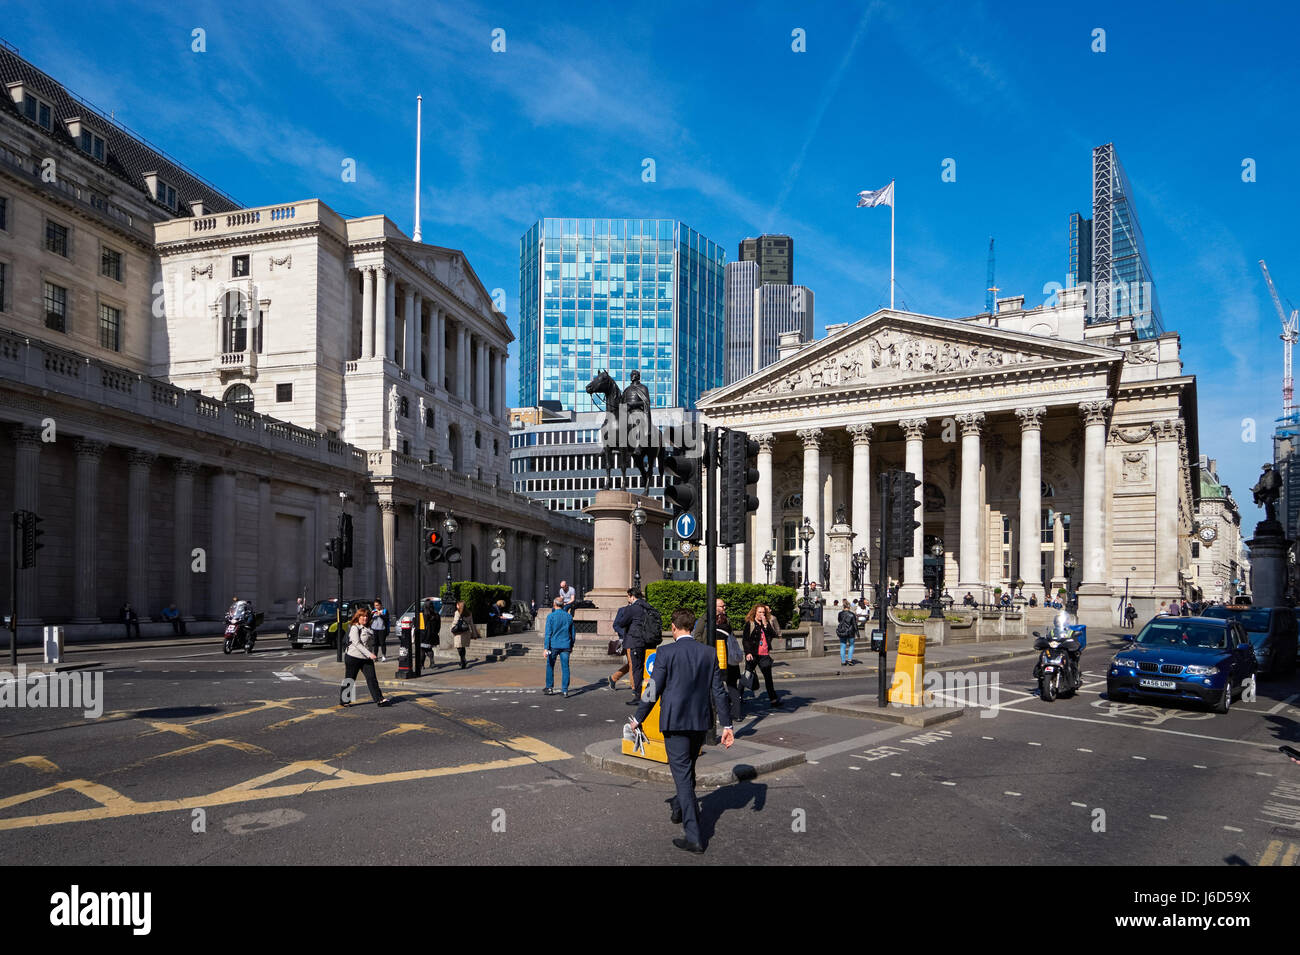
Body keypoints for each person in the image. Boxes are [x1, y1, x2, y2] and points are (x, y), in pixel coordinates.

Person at [629, 608, 734, 853]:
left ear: (674, 627)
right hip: (700, 722)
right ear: (690, 626)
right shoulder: (708, 653)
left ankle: (694, 836)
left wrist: (637, 718)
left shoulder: (665, 652)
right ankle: (679, 806)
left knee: (683, 775)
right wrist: (727, 725)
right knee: (688, 770)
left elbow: (653, 689)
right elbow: (719, 691)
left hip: (674, 722)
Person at [340, 606, 391, 707]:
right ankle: (345, 701)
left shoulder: (369, 628)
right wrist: (370, 654)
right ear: (358, 617)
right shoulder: (355, 627)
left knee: (372, 678)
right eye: (362, 616)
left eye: (367, 616)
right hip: (353, 657)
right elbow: (357, 643)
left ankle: (379, 699)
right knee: (350, 679)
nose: (365, 618)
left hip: (366, 659)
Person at [742, 604, 782, 708]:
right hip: (753, 654)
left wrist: (765, 625)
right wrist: (748, 653)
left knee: (768, 678)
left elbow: (773, 634)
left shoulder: (766, 623)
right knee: (747, 676)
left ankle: (773, 700)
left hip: (764, 655)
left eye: (763, 612)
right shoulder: (750, 623)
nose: (761, 614)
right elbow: (745, 640)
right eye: (759, 612)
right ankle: (738, 697)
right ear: (755, 612)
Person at [609, 588, 645, 691]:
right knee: (633, 663)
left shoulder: (641, 609)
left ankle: (613, 678)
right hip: (627, 640)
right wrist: (624, 634)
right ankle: (634, 687)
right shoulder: (623, 610)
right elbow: (616, 625)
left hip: (637, 639)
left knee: (632, 663)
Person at [543, 596, 574, 697]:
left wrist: (546, 648)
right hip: (565, 645)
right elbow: (573, 633)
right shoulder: (569, 616)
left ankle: (549, 687)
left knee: (550, 666)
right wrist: (571, 645)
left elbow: (548, 633)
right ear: (563, 604)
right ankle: (564, 690)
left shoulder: (550, 616)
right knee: (565, 668)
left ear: (554, 604)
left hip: (553, 645)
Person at [449, 599, 478, 669]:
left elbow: (455, 622)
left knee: (459, 647)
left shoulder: (457, 612)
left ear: (459, 606)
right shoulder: (469, 613)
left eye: (457, 604)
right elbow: (472, 624)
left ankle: (463, 660)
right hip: (466, 632)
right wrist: (474, 634)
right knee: (463, 646)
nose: (456, 605)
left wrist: (451, 628)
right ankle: (463, 659)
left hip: (459, 632)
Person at [836, 598, 859, 666]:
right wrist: (857, 633)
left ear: (843, 606)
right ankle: (849, 660)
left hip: (842, 631)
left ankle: (843, 661)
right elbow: (855, 624)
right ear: (849, 606)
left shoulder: (840, 613)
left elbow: (839, 621)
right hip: (851, 632)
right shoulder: (852, 614)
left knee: (843, 646)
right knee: (851, 645)